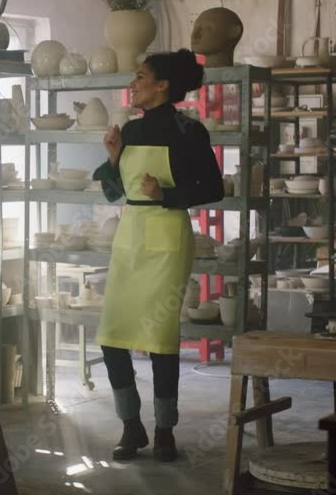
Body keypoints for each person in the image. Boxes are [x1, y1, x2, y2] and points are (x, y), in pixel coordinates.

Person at [92, 49, 224, 462]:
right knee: (113, 334)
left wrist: (166, 194)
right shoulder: (128, 132)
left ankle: (165, 430)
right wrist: (114, 158)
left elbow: (214, 189)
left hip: (168, 232)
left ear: (163, 85)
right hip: (130, 235)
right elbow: (115, 192)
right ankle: (131, 426)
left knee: (162, 338)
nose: (133, 83)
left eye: (141, 76)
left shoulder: (190, 131)